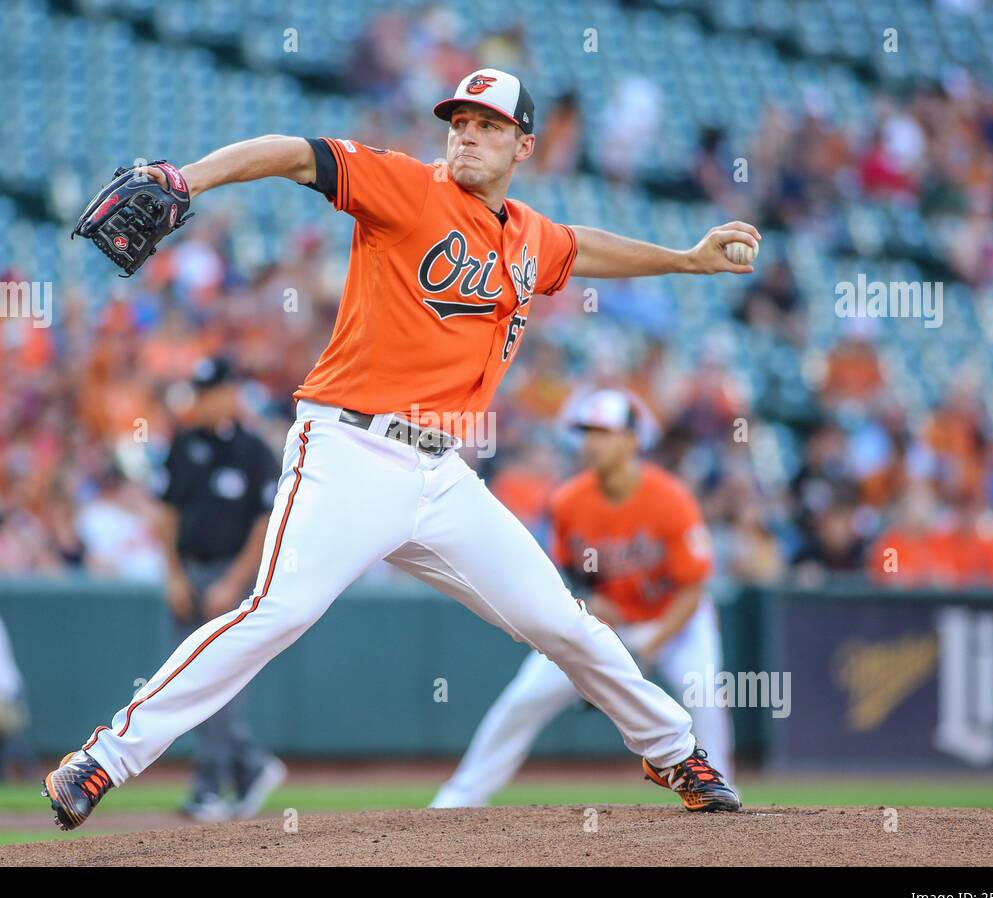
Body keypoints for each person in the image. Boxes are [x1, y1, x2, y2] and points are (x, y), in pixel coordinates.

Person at [43, 67, 759, 830]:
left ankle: (675, 753)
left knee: (561, 622)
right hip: (350, 448)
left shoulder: (528, 236)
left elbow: (582, 249)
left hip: (442, 474)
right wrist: (187, 177)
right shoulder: (406, 188)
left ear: (524, 144)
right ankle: (105, 758)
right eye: (459, 122)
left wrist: (686, 258)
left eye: (487, 125)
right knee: (278, 611)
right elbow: (292, 153)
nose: (467, 135)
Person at [432, 389, 734, 808]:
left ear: (632, 440)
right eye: (587, 432)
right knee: (523, 699)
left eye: (603, 432)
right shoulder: (568, 500)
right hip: (608, 622)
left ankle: (718, 789)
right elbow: (568, 573)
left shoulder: (671, 499)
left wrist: (650, 646)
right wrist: (592, 602)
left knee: (703, 692)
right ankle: (460, 798)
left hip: (673, 622)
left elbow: (693, 589)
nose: (592, 442)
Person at [150, 356, 287, 820]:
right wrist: (172, 573)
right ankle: (248, 767)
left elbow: (265, 522)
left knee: (218, 681)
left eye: (211, 393)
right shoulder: (182, 444)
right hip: (189, 571)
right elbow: (165, 514)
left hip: (232, 573)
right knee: (189, 679)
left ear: (230, 394)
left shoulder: (253, 450)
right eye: (200, 392)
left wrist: (234, 581)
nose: (203, 401)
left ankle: (211, 785)